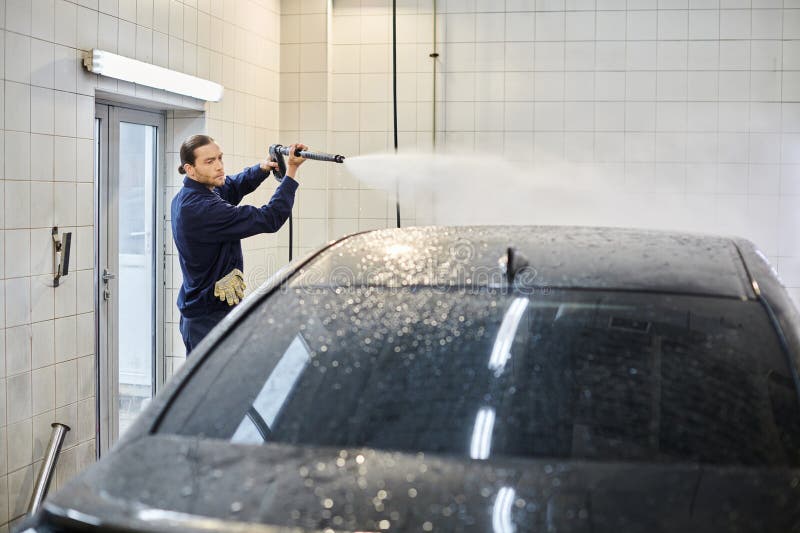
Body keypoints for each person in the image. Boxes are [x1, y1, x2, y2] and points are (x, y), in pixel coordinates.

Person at [171, 134, 307, 354]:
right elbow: (270, 218)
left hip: (206, 312)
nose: (219, 166)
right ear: (190, 169)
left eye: (219, 158)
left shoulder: (190, 195)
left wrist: (263, 168)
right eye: (209, 161)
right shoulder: (202, 209)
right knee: (214, 385)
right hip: (207, 319)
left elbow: (230, 188)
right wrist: (290, 172)